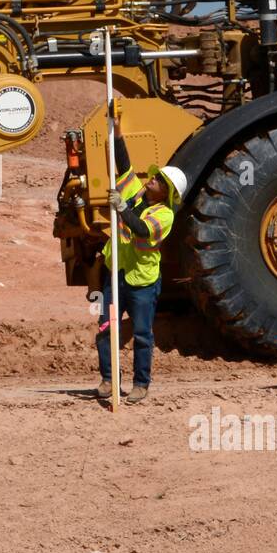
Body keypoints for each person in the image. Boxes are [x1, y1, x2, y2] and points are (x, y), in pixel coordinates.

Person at [96, 108, 187, 403]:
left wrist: (121, 208)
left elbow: (141, 230)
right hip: (116, 274)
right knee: (105, 328)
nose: (152, 178)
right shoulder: (135, 193)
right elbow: (123, 164)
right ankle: (108, 379)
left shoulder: (164, 215)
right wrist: (117, 130)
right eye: (155, 175)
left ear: (166, 192)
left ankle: (140, 384)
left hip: (142, 283)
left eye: (159, 179)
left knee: (142, 335)